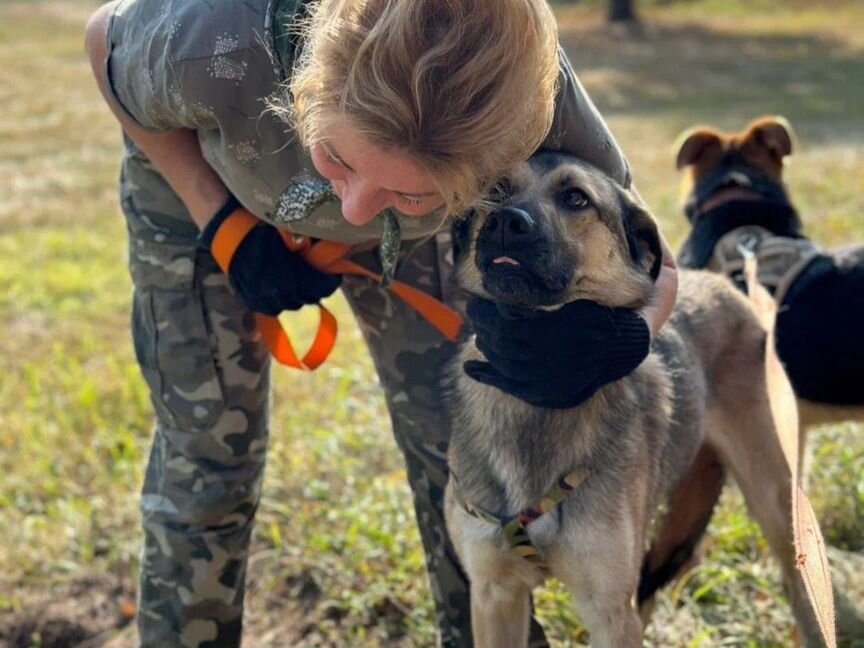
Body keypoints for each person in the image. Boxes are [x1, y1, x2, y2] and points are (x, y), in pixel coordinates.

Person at [84, 0, 678, 646]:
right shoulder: (208, 43)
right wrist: (221, 221)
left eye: (408, 192)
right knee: (207, 459)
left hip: (417, 240)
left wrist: (628, 337)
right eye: (336, 158)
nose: (359, 209)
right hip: (203, 184)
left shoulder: (527, 91)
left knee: (450, 435)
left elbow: (649, 252)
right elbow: (101, 45)